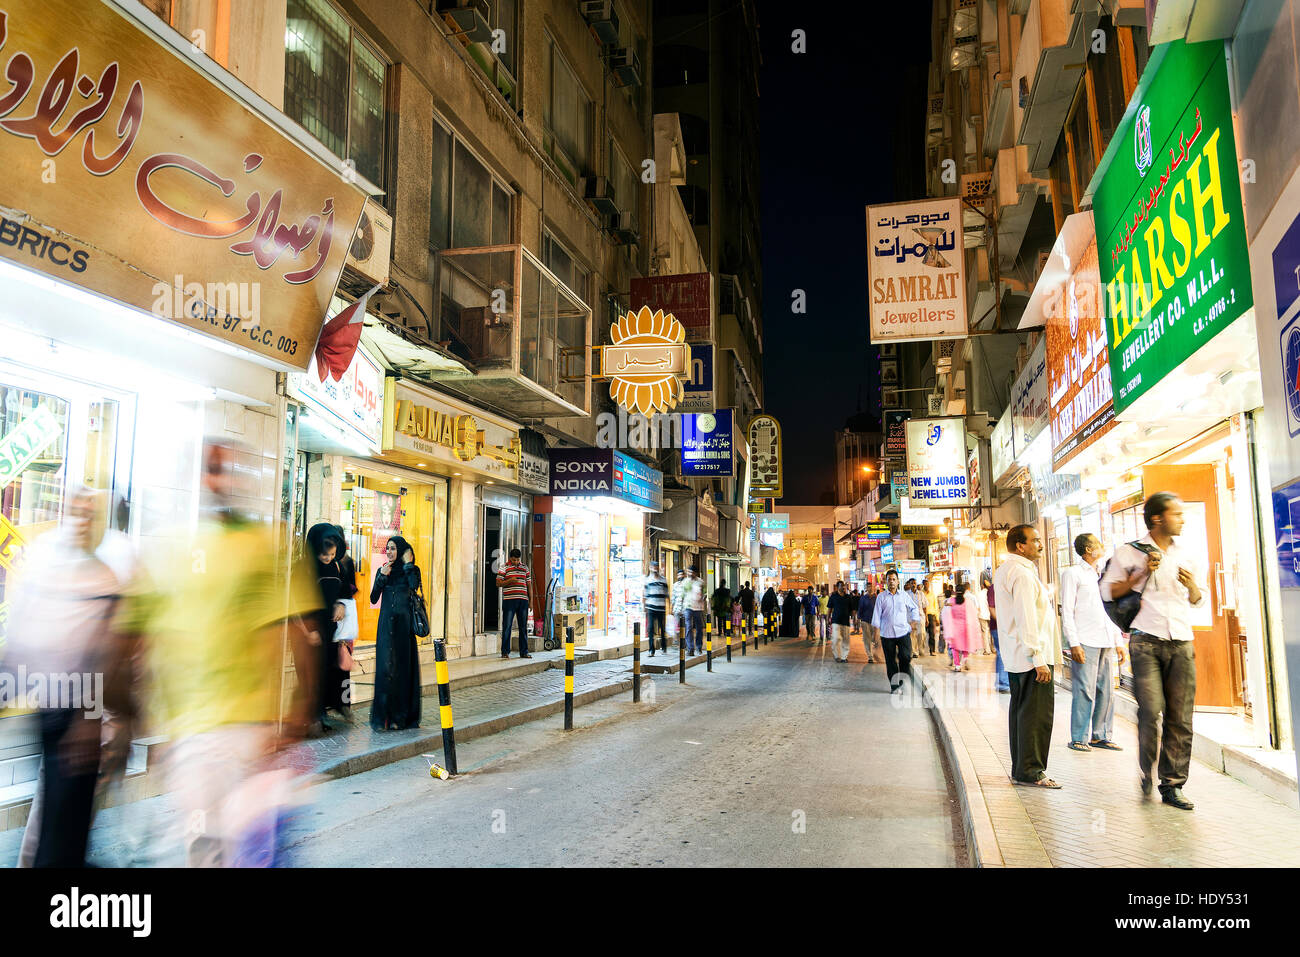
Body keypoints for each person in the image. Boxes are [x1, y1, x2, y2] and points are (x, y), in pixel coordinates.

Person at [4, 487, 125, 867]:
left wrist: (89, 719)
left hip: (78, 713)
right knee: (58, 816)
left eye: (91, 513)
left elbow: (106, 653)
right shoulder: (47, 561)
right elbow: (22, 629)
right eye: (76, 511)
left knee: (64, 823)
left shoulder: (104, 577)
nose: (82, 520)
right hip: (50, 708)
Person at [1100, 493, 1204, 811]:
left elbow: (1198, 599)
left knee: (1181, 717)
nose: (1182, 519)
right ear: (1157, 518)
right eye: (1177, 514)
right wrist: (1140, 574)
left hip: (1181, 642)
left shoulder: (1186, 553)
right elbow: (1107, 590)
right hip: (1145, 642)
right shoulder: (1130, 552)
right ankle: (1147, 771)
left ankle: (1172, 785)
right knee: (1150, 711)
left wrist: (1193, 586)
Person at [992, 525, 1062, 789]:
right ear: (1021, 546)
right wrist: (1038, 658)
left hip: (1020, 657)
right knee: (1035, 717)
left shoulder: (1010, 570)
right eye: (1035, 540)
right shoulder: (1021, 574)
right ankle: (1032, 771)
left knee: (1023, 715)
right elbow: (1026, 618)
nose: (1040, 544)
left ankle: (1023, 769)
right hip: (1030, 660)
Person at [1062, 533, 1125, 753]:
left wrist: (1118, 640)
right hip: (1085, 640)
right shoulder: (1073, 574)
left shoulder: (1103, 574)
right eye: (1098, 543)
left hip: (1105, 639)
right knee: (1084, 691)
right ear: (1088, 549)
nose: (1102, 545)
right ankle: (1079, 737)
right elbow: (1067, 610)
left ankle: (1101, 736)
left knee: (1106, 691)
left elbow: (1110, 610)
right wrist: (1074, 643)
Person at [301, 523, 351, 732]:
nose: (328, 558)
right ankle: (312, 717)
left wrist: (341, 604)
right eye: (324, 555)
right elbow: (298, 603)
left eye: (331, 555)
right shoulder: (304, 568)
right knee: (311, 674)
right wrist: (307, 631)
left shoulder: (336, 567)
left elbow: (343, 592)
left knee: (326, 672)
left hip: (330, 630)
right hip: (311, 630)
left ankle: (322, 714)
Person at [370, 534, 423, 731]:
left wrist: (408, 565)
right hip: (386, 627)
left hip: (403, 627)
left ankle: (400, 718)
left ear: (401, 551)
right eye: (388, 548)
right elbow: (373, 598)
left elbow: (414, 586)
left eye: (393, 548)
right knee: (384, 671)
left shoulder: (412, 570)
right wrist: (381, 577)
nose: (390, 552)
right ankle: (382, 718)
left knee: (401, 671)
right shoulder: (383, 570)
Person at [871, 570, 921, 693]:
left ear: (898, 581)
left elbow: (914, 608)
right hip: (887, 634)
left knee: (906, 657)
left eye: (894, 579)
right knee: (890, 661)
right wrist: (876, 633)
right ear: (886, 582)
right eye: (889, 579)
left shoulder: (903, 595)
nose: (892, 582)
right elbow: (876, 615)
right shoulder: (881, 597)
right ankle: (895, 686)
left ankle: (902, 679)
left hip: (903, 632)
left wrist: (913, 622)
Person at [496, 547, 531, 659]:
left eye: (518, 560)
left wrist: (531, 601)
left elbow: (529, 585)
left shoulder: (525, 567)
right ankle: (505, 652)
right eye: (514, 560)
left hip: (523, 601)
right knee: (507, 626)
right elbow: (498, 583)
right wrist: (510, 581)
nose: (516, 562)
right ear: (510, 558)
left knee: (523, 627)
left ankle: (524, 652)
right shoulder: (504, 567)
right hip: (509, 601)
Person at [941, 582, 981, 672]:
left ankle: (957, 666)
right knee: (965, 646)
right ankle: (964, 661)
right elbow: (973, 613)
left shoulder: (952, 600)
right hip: (965, 627)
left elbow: (945, 605)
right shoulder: (967, 601)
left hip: (954, 628)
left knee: (955, 647)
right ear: (964, 592)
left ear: (955, 591)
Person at [985, 570, 1009, 693]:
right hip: (999, 627)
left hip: (1005, 627)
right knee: (1002, 653)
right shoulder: (994, 588)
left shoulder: (1005, 587)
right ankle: (1003, 683)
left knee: (1004, 654)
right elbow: (991, 608)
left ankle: (1004, 682)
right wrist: (1002, 623)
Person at [643, 562, 669, 656]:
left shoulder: (663, 580)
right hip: (651, 607)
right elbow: (645, 594)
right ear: (650, 568)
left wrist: (669, 607)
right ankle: (651, 649)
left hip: (661, 607)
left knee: (662, 628)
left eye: (656, 567)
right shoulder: (647, 580)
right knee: (650, 628)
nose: (655, 568)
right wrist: (644, 607)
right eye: (653, 567)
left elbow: (666, 594)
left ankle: (664, 646)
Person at [827, 581, 852, 662]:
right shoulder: (833, 596)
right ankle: (837, 655)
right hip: (836, 621)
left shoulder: (848, 597)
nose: (843, 587)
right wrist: (827, 619)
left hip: (846, 621)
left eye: (843, 586)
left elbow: (852, 609)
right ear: (837, 587)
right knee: (836, 638)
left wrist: (854, 618)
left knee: (846, 640)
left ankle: (844, 657)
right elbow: (829, 608)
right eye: (841, 586)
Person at [685, 565, 706, 655]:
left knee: (699, 628)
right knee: (688, 627)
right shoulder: (685, 581)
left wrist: (703, 597)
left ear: (695, 573)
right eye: (689, 572)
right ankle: (690, 648)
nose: (690, 574)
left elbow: (705, 593)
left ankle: (699, 646)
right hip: (688, 607)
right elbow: (682, 594)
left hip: (698, 608)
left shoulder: (701, 582)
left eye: (692, 572)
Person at [971, 575, 993, 655]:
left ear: (982, 586)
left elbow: (977, 606)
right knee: (992, 631)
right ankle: (993, 648)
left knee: (985, 632)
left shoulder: (979, 594)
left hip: (982, 615)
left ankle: (987, 650)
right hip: (991, 614)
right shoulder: (991, 593)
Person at [857, 583, 879, 662]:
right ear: (866, 588)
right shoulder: (863, 598)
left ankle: (875, 653)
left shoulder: (877, 597)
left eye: (871, 587)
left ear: (874, 588)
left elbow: (879, 609)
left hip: (875, 621)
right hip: (865, 620)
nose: (870, 588)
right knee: (867, 639)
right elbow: (860, 608)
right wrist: (858, 619)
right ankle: (870, 656)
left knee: (875, 638)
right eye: (868, 587)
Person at [711, 578, 733, 645]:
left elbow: (713, 598)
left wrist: (713, 607)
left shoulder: (716, 591)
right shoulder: (727, 591)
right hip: (725, 608)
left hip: (718, 608)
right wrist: (729, 607)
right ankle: (725, 631)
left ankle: (720, 632)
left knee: (719, 620)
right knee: (725, 620)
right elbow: (729, 599)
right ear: (725, 583)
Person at [671, 569, 689, 647]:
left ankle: (686, 642)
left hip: (686, 609)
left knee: (686, 626)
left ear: (684, 575)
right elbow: (673, 597)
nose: (680, 576)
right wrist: (671, 608)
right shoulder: (675, 585)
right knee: (677, 626)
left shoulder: (688, 584)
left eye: (682, 574)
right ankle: (678, 641)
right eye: (679, 575)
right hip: (677, 608)